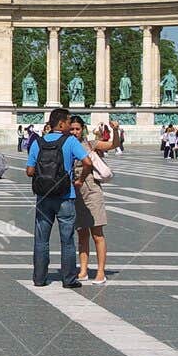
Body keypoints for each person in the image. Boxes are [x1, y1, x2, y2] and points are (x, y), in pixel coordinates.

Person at [26, 108, 91, 289]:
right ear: (61, 123)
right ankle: (69, 279)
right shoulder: (70, 141)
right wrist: (80, 179)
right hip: (65, 195)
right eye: (69, 122)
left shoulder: (38, 142)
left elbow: (29, 171)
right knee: (67, 239)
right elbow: (88, 163)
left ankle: (39, 278)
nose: (71, 126)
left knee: (41, 239)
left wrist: (43, 174)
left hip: (43, 197)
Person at [69, 115, 112, 285]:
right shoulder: (67, 145)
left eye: (77, 129)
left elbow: (113, 145)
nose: (74, 132)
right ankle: (83, 270)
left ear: (82, 129)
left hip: (92, 191)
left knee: (97, 234)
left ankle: (101, 271)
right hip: (76, 193)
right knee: (82, 234)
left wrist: (114, 130)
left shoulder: (90, 144)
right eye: (71, 129)